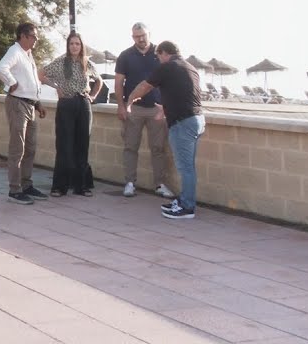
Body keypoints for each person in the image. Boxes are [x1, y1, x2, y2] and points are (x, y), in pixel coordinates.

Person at [127, 41, 205, 219]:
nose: (158, 59)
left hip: (183, 123)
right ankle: (185, 201)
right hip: (197, 120)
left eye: (158, 56)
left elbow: (145, 86)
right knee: (189, 167)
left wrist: (130, 99)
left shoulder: (168, 67)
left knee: (186, 168)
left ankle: (187, 207)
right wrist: (165, 108)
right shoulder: (190, 67)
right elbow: (185, 94)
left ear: (164, 53)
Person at [114, 22, 175, 199]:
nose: (140, 39)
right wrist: (121, 105)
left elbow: (171, 79)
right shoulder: (125, 56)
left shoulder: (160, 53)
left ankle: (160, 184)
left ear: (149, 34)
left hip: (157, 109)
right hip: (134, 109)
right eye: (136, 36)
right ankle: (130, 183)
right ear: (132, 37)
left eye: (143, 35)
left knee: (158, 148)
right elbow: (119, 83)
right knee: (130, 147)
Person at [42, 32, 103, 197]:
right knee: (64, 145)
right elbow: (41, 74)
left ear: (81, 46)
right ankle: (59, 187)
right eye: (71, 44)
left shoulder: (87, 63)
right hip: (66, 103)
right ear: (68, 46)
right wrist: (56, 87)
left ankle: (81, 186)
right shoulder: (61, 62)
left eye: (77, 44)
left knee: (82, 145)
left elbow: (99, 81)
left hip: (83, 103)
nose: (74, 46)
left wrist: (93, 96)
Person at [0, 22, 48, 205]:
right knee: (18, 148)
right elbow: (1, 68)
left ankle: (27, 184)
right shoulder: (15, 51)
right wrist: (11, 83)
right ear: (23, 36)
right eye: (33, 36)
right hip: (17, 104)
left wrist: (38, 103)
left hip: (30, 105)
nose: (36, 40)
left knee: (30, 147)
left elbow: (31, 81)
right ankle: (15, 189)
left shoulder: (28, 55)